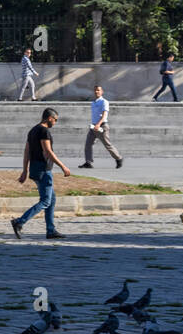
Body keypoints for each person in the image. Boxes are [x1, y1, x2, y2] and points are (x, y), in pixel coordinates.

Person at [11, 107, 71, 239]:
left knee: (51, 199)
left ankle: (51, 230)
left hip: (35, 168)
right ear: (50, 118)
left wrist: (25, 170)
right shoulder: (44, 131)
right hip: (44, 169)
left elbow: (26, 152)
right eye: (55, 120)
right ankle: (19, 222)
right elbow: (48, 152)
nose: (55, 122)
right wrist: (63, 166)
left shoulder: (33, 130)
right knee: (45, 201)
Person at [80, 85, 122, 169]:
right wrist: (94, 125)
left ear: (102, 92)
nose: (96, 92)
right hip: (93, 127)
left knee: (107, 145)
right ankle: (88, 162)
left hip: (102, 126)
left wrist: (98, 124)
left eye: (98, 90)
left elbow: (104, 115)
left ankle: (119, 158)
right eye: (95, 90)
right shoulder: (93, 103)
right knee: (88, 144)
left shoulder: (104, 102)